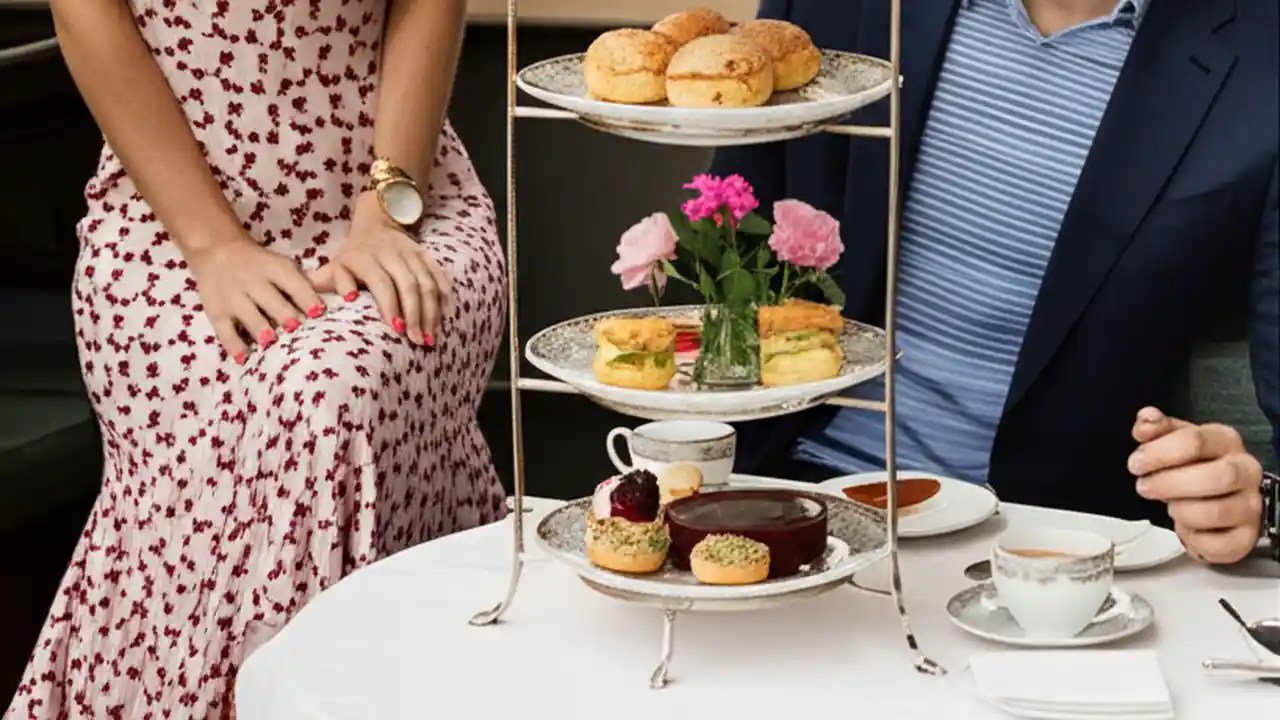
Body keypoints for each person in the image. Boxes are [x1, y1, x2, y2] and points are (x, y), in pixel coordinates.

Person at [6, 1, 506, 717]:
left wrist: (382, 210)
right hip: (169, 234)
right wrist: (215, 247)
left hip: (397, 202)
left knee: (331, 394)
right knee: (314, 403)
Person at [715, 0, 1278, 565]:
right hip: (785, 497)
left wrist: (1254, 504)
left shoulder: (1263, 57)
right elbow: (721, 261)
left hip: (1062, 548)